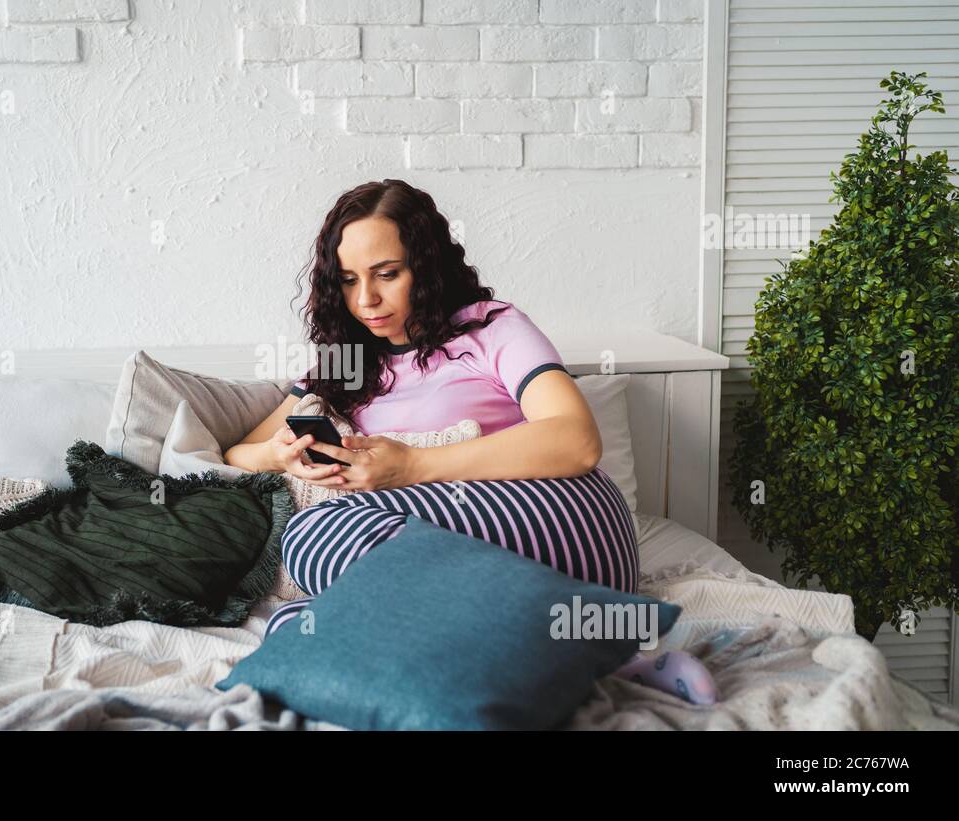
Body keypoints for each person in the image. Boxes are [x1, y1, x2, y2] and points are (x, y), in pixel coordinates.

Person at [222, 179, 716, 706]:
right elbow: (237, 452)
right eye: (347, 280)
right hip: (472, 560)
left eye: (387, 274)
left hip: (564, 516)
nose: (366, 299)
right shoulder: (345, 361)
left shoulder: (492, 328)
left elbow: (577, 440)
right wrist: (278, 456)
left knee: (318, 532)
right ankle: (620, 664)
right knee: (306, 596)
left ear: (427, 264)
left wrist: (411, 465)